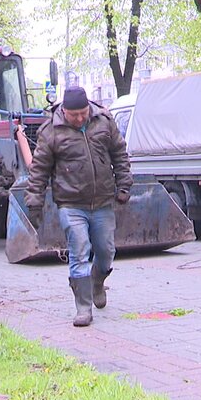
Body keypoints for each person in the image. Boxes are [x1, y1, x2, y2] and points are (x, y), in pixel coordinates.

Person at [25, 86, 132, 327]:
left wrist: (124, 184)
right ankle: (83, 308)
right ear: (65, 111)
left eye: (83, 113)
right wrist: (34, 203)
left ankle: (97, 282)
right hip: (71, 204)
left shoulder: (104, 121)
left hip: (103, 201)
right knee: (79, 249)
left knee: (105, 252)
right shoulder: (51, 131)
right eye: (75, 115)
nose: (80, 118)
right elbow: (39, 170)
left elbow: (120, 154)